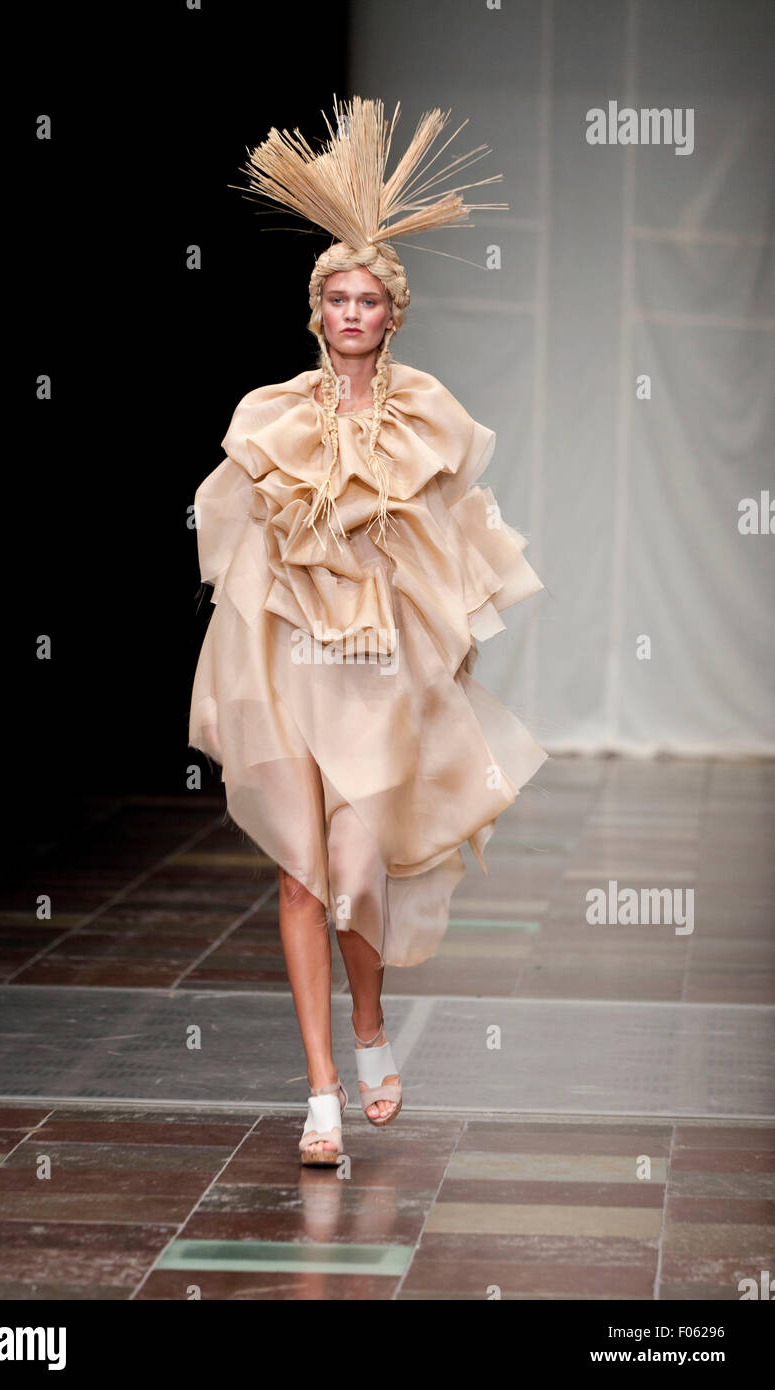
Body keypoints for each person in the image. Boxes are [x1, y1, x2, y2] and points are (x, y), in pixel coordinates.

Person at [188, 97, 549, 1166]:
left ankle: (369, 1025)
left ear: (393, 315)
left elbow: (456, 547)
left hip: (379, 677)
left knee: (355, 874)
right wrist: (238, 682)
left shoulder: (425, 417)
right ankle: (319, 1096)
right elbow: (240, 561)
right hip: (293, 671)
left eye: (368, 300)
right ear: (317, 312)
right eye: (336, 298)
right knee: (300, 875)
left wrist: (440, 657)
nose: (351, 313)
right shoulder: (273, 419)